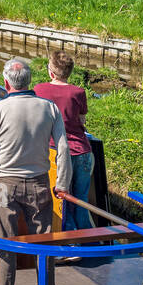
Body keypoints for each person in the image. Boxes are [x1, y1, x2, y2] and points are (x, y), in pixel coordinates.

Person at [0, 58, 72, 285]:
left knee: (3, 243)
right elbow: (63, 149)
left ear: (6, 82)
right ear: (29, 80)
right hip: (40, 182)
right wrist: (61, 183)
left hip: (3, 186)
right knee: (44, 246)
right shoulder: (49, 108)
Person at [34, 50, 93, 232]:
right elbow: (81, 120)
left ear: (50, 71)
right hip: (82, 151)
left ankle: (70, 239)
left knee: (60, 198)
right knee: (81, 199)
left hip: (56, 152)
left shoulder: (39, 89)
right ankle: (88, 239)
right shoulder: (78, 92)